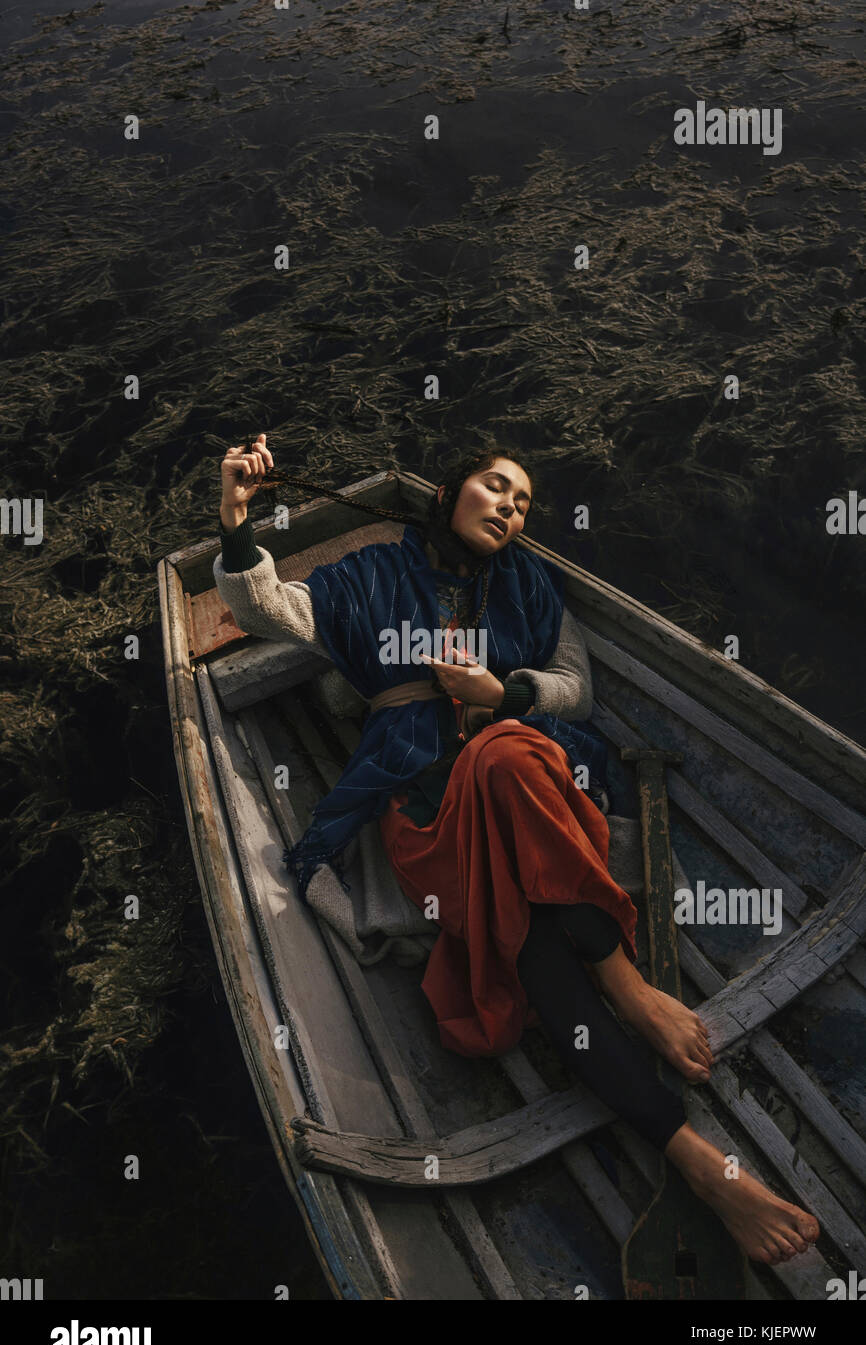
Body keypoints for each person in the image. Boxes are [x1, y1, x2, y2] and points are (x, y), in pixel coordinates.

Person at [215, 433, 820, 1268]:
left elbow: (578, 688)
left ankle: (663, 1075)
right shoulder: (369, 576)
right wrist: (238, 519)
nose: (510, 506)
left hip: (529, 791)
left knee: (507, 769)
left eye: (524, 502)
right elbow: (265, 610)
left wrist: (506, 692)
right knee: (513, 858)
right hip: (430, 819)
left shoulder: (532, 586)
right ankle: (665, 1071)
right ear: (450, 493)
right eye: (496, 486)